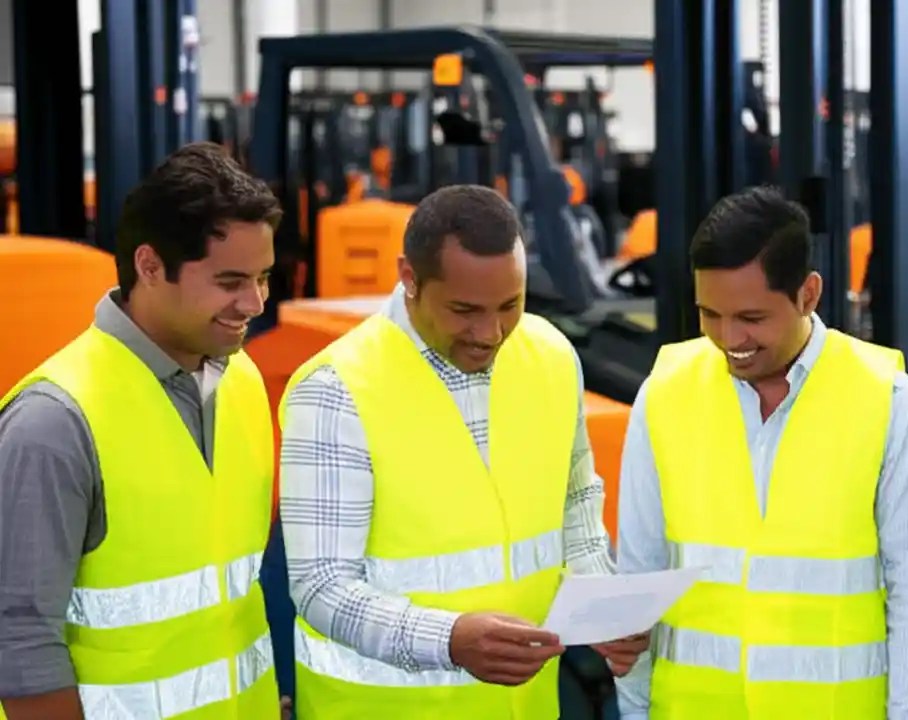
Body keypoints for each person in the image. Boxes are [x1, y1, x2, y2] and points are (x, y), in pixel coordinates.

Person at [278, 184, 648, 718]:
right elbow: (321, 585)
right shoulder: (337, 389)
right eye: (464, 310)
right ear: (410, 278)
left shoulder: (550, 358)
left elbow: (576, 508)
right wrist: (449, 640)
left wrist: (603, 610)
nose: (489, 332)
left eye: (509, 306)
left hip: (525, 706)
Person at [614, 186, 908, 719]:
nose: (729, 338)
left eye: (751, 317)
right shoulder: (664, 392)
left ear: (808, 295)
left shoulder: (888, 401)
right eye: (710, 314)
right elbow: (638, 577)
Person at [0, 142, 283, 719]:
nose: (253, 302)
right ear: (149, 266)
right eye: (230, 281)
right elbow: (19, 641)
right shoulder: (54, 423)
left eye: (263, 278)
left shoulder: (243, 380)